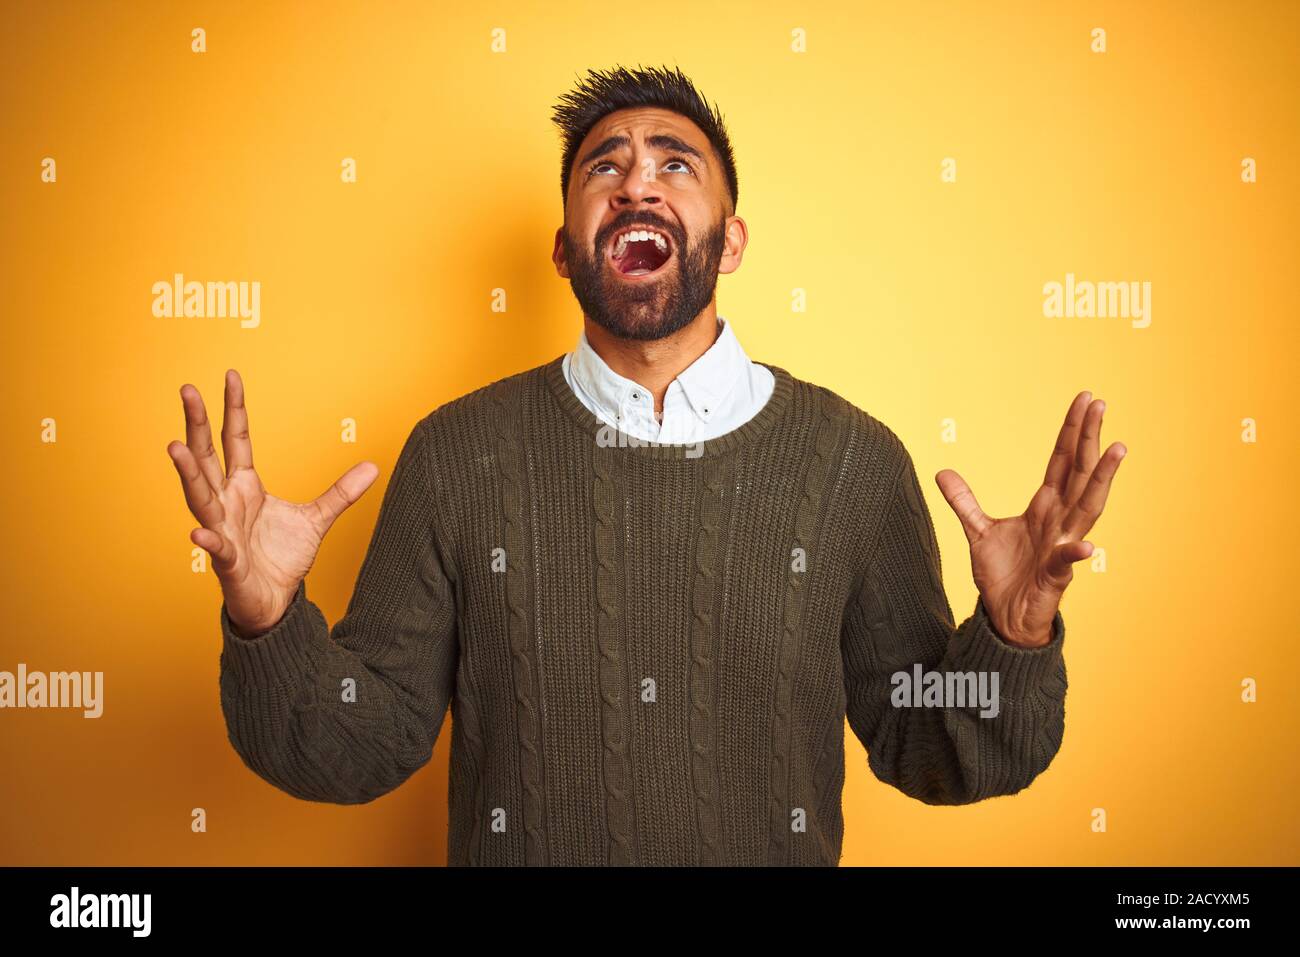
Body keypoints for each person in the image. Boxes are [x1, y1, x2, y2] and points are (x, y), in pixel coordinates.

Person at [167, 64, 1125, 866]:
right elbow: (364, 742)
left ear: (732, 240)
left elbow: (927, 742)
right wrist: (267, 619)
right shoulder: (457, 455)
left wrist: (1011, 639)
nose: (637, 184)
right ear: (564, 248)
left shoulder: (852, 466)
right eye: (605, 168)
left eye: (677, 162)